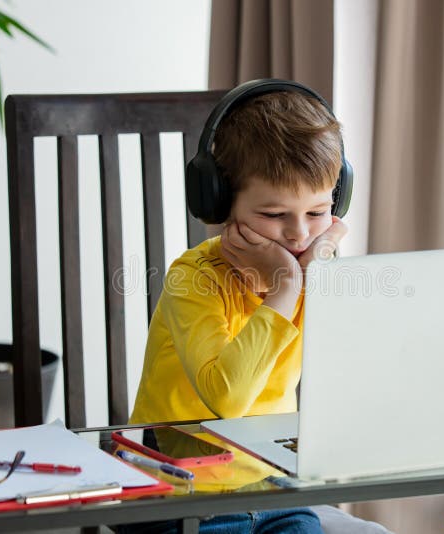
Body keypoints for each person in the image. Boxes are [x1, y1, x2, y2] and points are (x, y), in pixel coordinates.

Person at [120, 80, 387, 534]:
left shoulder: (313, 269)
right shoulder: (194, 278)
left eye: (318, 212)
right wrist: (286, 288)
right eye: (273, 215)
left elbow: (352, 375)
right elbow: (227, 400)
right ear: (219, 201)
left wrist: (318, 274)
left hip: (270, 488)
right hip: (176, 496)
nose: (300, 236)